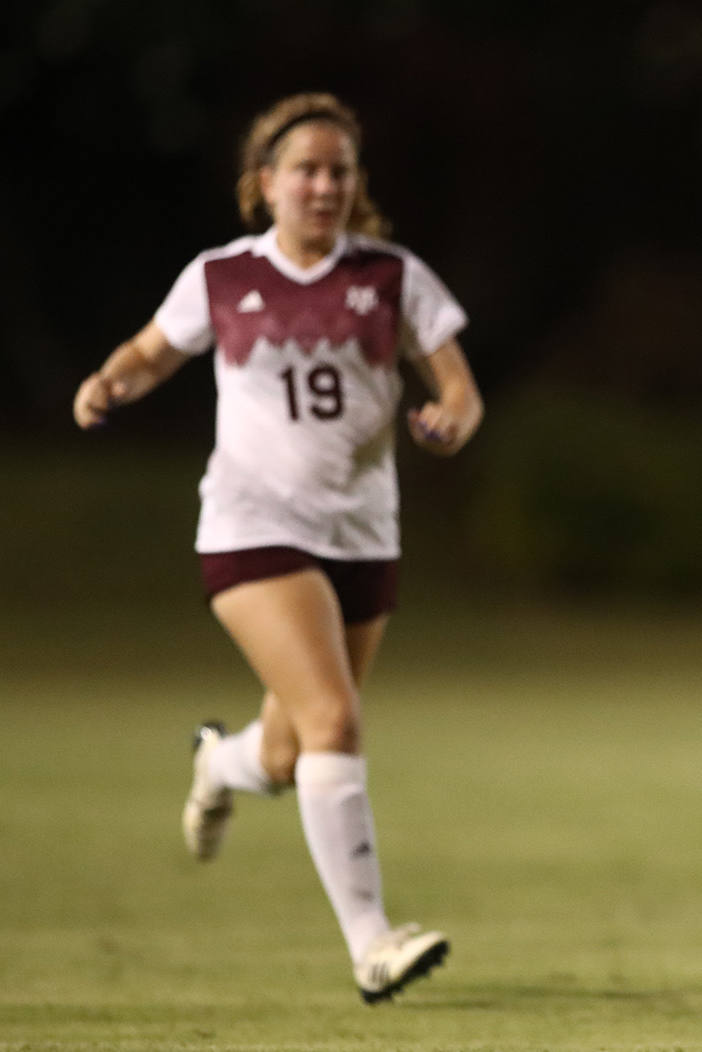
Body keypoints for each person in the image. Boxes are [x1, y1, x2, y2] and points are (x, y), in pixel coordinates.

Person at [72, 93, 482, 1004]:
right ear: (266, 183)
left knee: (296, 747)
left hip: (363, 535)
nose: (325, 185)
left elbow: (459, 387)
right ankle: (373, 942)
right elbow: (151, 351)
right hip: (253, 526)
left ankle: (221, 763)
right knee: (336, 720)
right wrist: (108, 381)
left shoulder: (391, 276)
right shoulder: (221, 275)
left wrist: (449, 422)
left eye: (340, 170)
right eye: (306, 169)